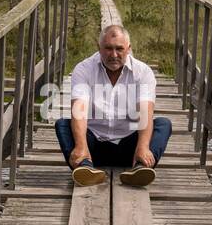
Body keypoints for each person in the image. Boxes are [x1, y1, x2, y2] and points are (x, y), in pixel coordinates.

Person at [55, 24, 171, 187]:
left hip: (129, 145)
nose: (114, 54)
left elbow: (145, 112)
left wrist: (143, 147)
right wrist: (81, 146)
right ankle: (85, 168)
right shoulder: (84, 69)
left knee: (163, 124)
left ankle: (140, 167)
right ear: (99, 47)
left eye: (119, 49)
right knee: (62, 125)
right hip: (93, 146)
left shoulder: (143, 72)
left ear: (129, 48)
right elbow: (79, 110)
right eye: (108, 48)